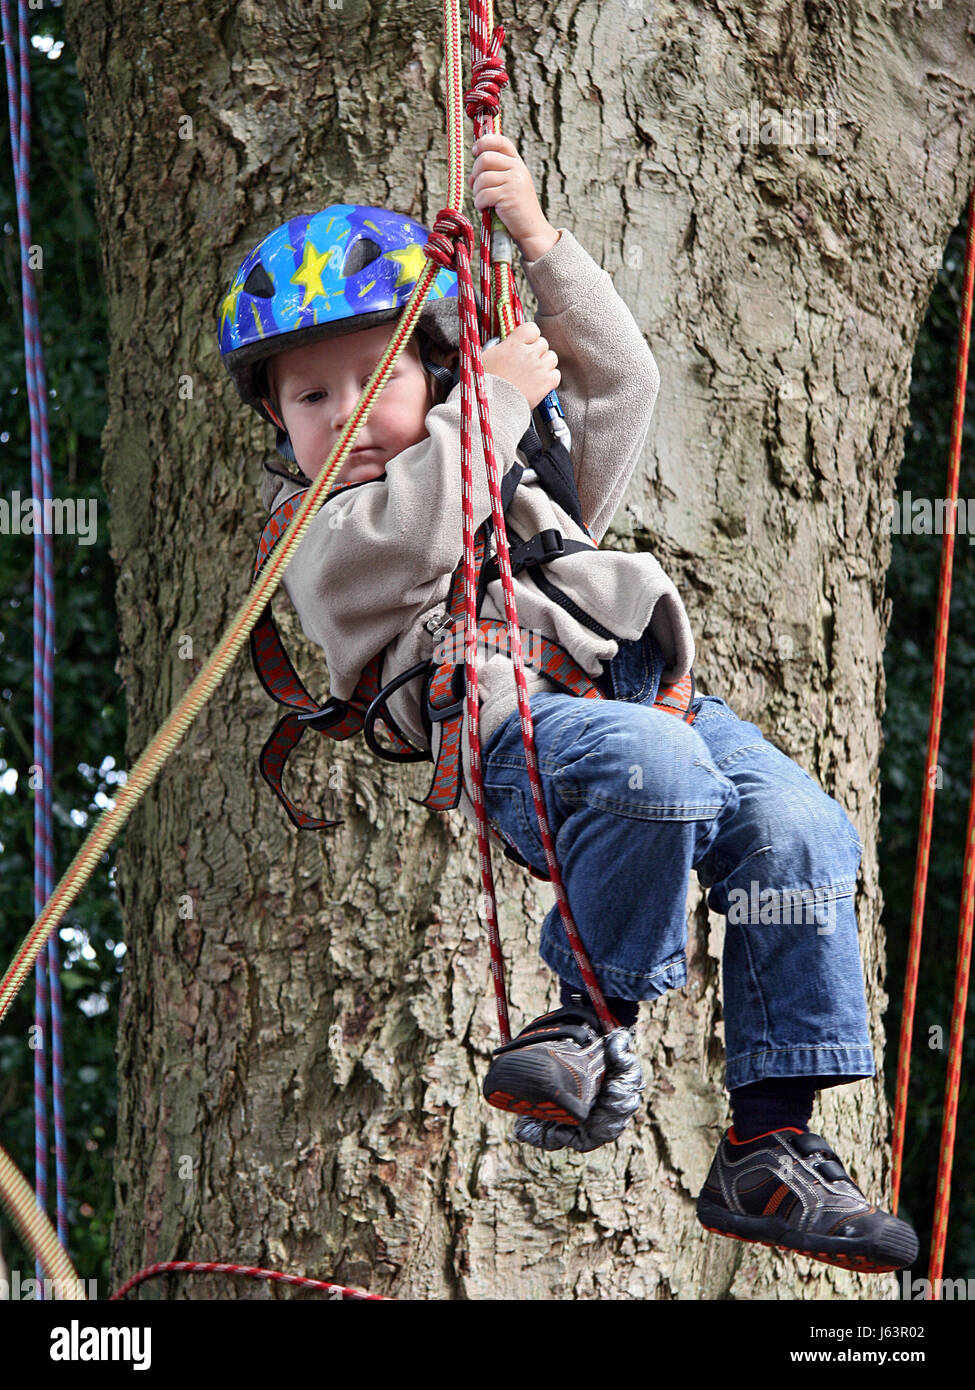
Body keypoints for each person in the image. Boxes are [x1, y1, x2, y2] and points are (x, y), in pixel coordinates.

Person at [217, 134, 918, 1273]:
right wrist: (483, 402)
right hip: (518, 733)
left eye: (378, 377)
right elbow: (418, 528)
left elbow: (621, 382)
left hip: (647, 693)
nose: (345, 413)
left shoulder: (520, 462)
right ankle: (590, 1021)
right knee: (659, 773)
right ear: (279, 423)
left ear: (432, 376)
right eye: (310, 394)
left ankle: (772, 1145)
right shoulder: (323, 533)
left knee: (805, 832)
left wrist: (539, 246)